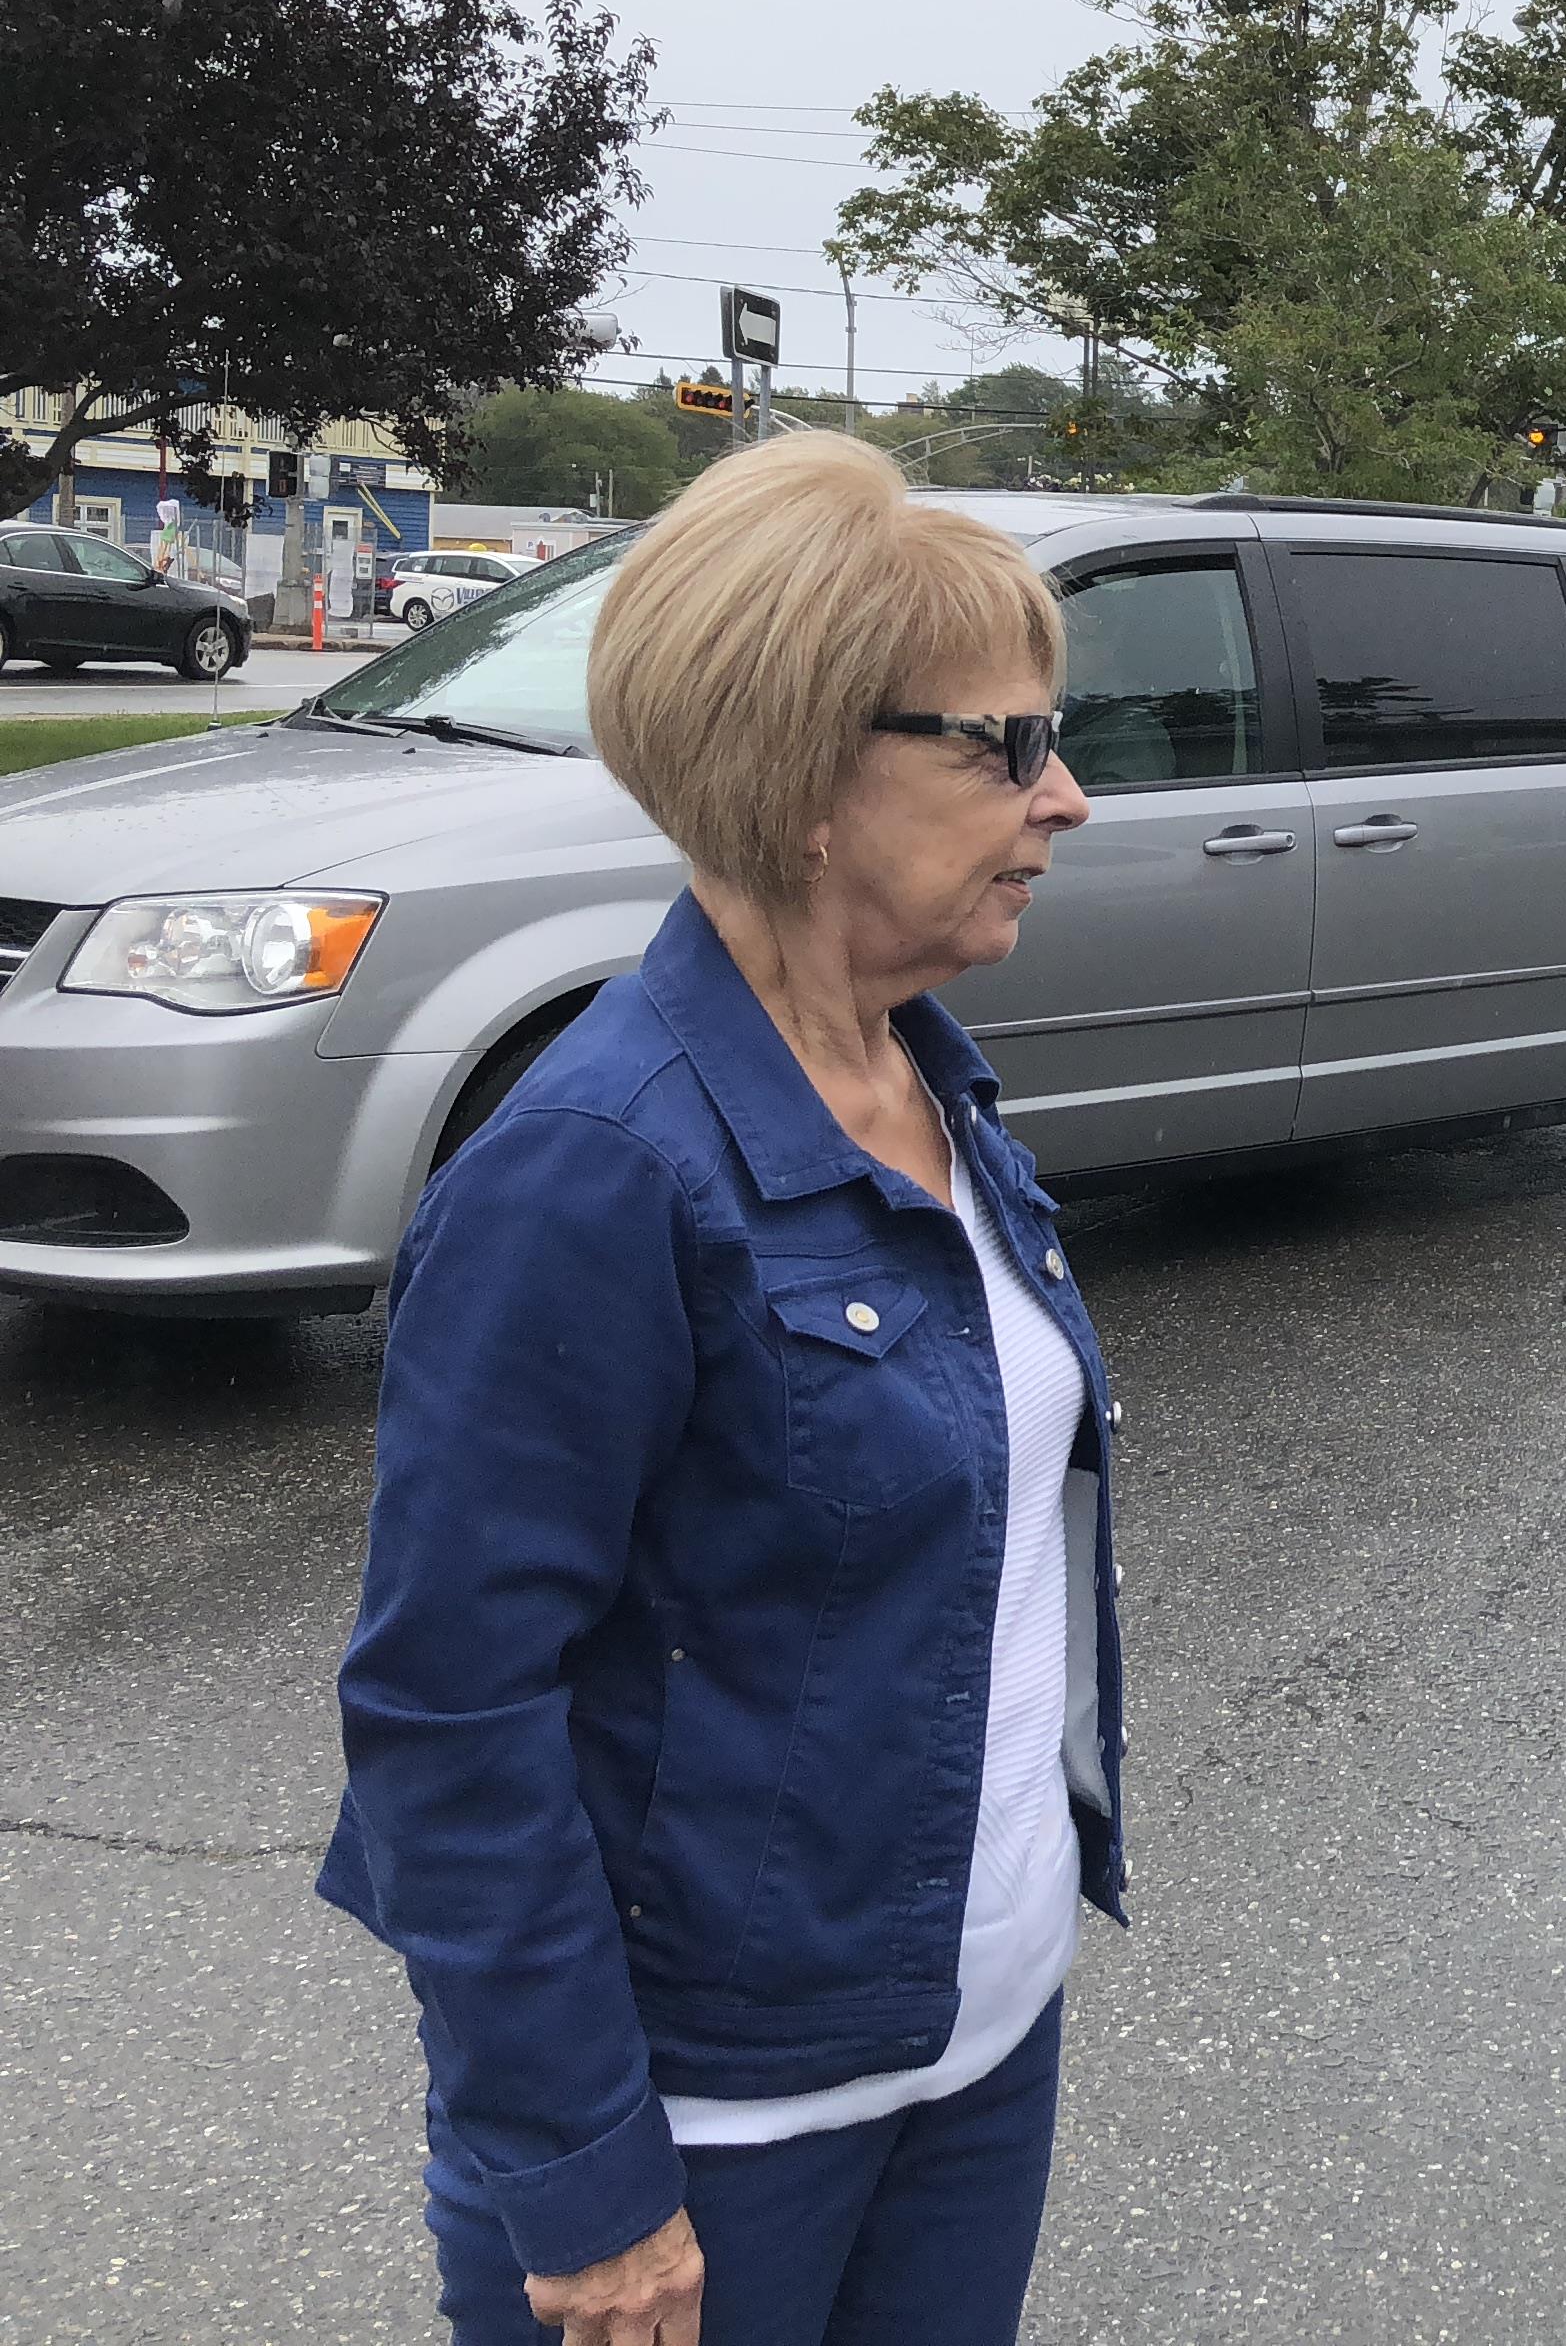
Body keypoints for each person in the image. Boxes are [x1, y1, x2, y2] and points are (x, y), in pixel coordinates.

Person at [319, 434, 1124, 2346]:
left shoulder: (934, 1080)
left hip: (973, 2043)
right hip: (715, 2121)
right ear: (801, 776)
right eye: (1004, 747)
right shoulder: (599, 1161)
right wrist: (587, 2187)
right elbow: (450, 1707)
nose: (1066, 799)